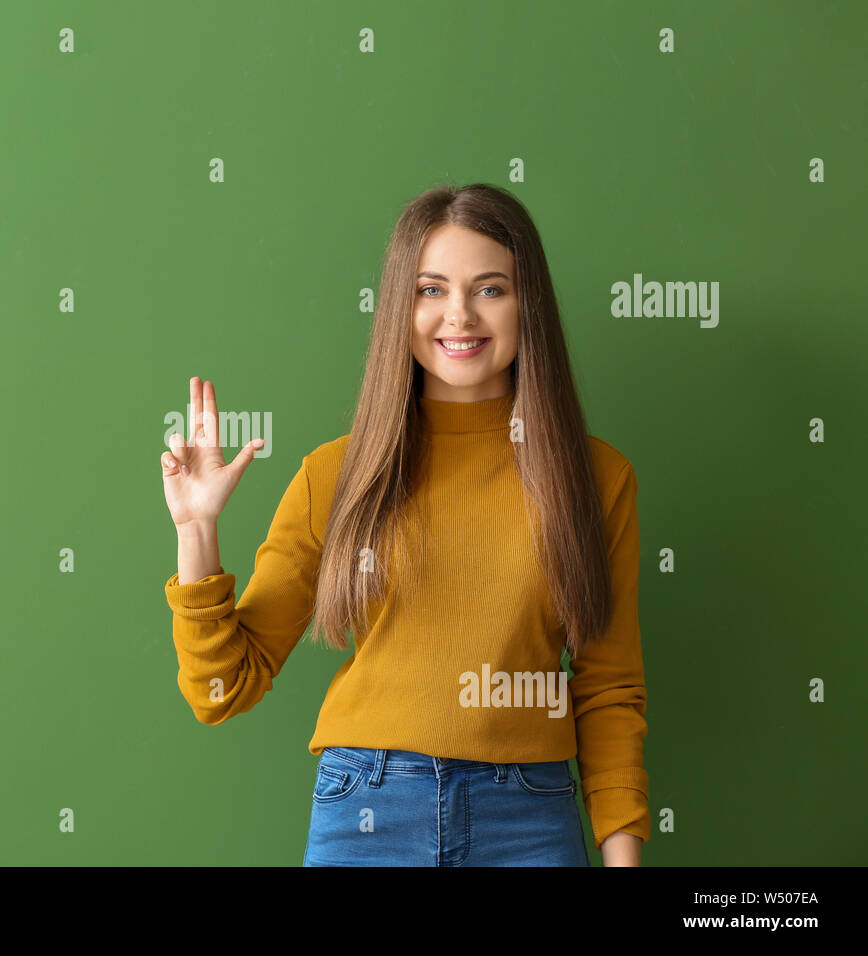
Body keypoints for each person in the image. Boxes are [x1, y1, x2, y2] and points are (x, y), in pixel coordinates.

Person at [160, 183, 648, 867]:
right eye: (429, 290)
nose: (459, 315)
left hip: (530, 817)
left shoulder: (596, 479)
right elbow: (223, 689)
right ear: (399, 307)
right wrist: (197, 529)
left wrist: (622, 859)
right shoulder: (337, 475)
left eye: (490, 289)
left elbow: (608, 688)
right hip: (368, 810)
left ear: (526, 303)